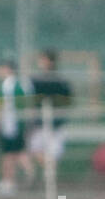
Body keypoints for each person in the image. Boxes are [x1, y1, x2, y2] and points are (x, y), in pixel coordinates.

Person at [0, 58, 34, 195]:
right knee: (16, 153)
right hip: (16, 125)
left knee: (8, 154)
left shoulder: (8, 85)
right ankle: (16, 178)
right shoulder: (20, 84)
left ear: (8, 69)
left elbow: (1, 105)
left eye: (1, 68)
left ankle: (9, 182)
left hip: (10, 125)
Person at [28, 49, 73, 177]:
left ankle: (52, 185)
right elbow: (33, 102)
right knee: (35, 149)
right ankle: (49, 178)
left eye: (43, 59)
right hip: (40, 123)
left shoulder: (60, 81)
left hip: (56, 124)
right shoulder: (36, 80)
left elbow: (67, 102)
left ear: (50, 61)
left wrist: (58, 118)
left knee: (53, 153)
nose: (41, 62)